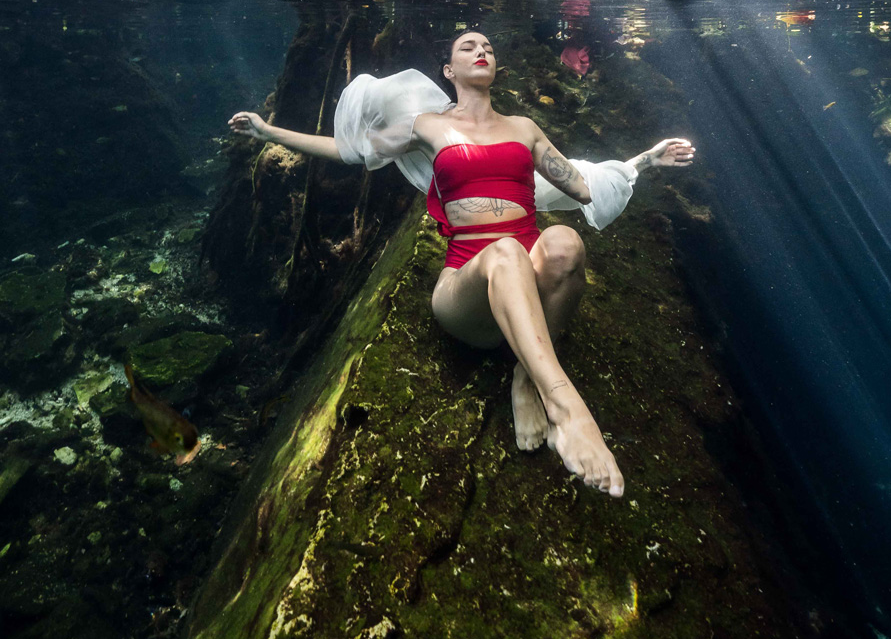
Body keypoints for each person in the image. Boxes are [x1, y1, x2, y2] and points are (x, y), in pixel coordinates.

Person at [228, 30, 694, 495]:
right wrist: (269, 132)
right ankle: (567, 407)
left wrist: (646, 161)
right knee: (506, 252)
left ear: (496, 69)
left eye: (489, 47)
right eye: (468, 47)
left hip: (526, 284)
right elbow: (349, 151)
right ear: (449, 72)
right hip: (466, 293)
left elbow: (584, 184)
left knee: (566, 242)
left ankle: (525, 377)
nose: (482, 51)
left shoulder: (524, 129)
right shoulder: (426, 126)